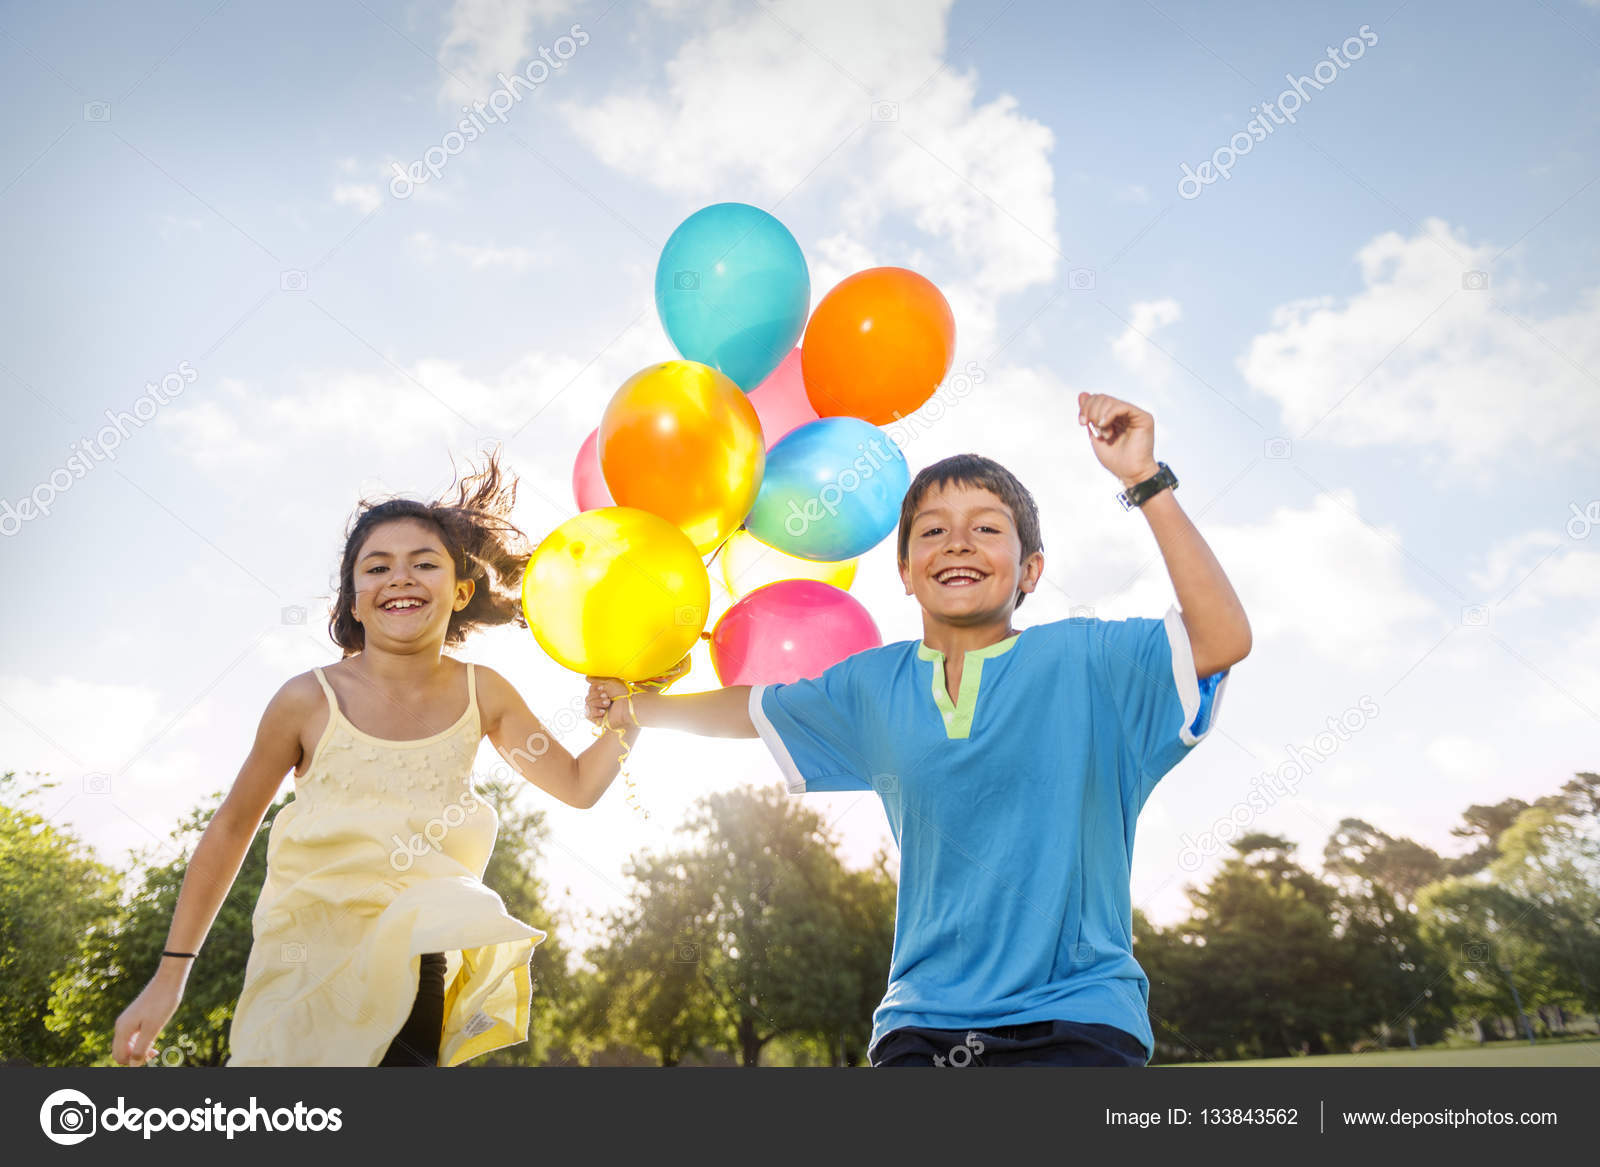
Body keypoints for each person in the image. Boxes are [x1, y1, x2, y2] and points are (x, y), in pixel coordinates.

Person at [587, 393, 1251, 1066]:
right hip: (922, 1024)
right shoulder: (873, 686)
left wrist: (1145, 479)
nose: (957, 541)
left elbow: (1222, 637)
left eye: (987, 528)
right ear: (905, 571)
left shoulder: (1090, 661)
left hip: (1078, 1017)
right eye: (932, 530)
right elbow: (752, 708)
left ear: (1031, 570)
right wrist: (633, 707)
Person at [113, 451, 645, 1067]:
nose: (401, 578)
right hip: (301, 957)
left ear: (461, 591)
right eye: (377, 568)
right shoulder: (307, 700)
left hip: (413, 955)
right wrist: (170, 977)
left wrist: (629, 713)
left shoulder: (484, 692)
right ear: (355, 601)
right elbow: (231, 829)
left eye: (425, 564)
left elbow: (578, 785)